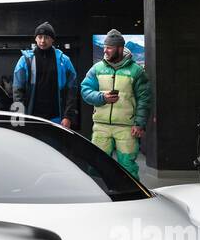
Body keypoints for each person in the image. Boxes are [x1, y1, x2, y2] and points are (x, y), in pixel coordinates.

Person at [81, 29, 151, 180]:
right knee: (96, 164)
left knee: (127, 166)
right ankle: (99, 191)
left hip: (126, 127)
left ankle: (130, 193)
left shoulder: (136, 71)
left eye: (109, 48)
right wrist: (102, 97)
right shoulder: (97, 69)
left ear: (120, 48)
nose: (105, 51)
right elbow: (85, 90)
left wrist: (139, 124)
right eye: (104, 47)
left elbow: (144, 99)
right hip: (101, 126)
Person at [11, 21, 79, 129]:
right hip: (31, 118)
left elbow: (72, 91)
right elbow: (17, 91)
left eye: (46, 37)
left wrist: (68, 117)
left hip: (57, 118)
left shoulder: (64, 61)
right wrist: (19, 117)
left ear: (52, 39)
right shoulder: (25, 60)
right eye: (40, 37)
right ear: (35, 38)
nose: (42, 41)